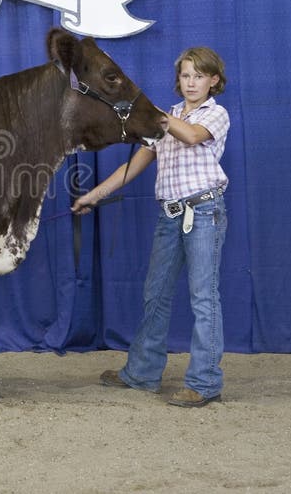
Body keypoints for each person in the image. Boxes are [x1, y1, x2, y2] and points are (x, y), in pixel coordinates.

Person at [73, 46, 229, 407]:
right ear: (179, 80)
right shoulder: (167, 117)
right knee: (155, 295)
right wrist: (93, 196)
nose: (191, 83)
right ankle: (142, 373)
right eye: (185, 75)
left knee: (204, 298)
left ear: (213, 81)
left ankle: (205, 383)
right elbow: (134, 165)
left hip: (204, 213)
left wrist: (150, 112)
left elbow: (190, 136)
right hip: (170, 216)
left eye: (199, 76)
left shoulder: (215, 115)